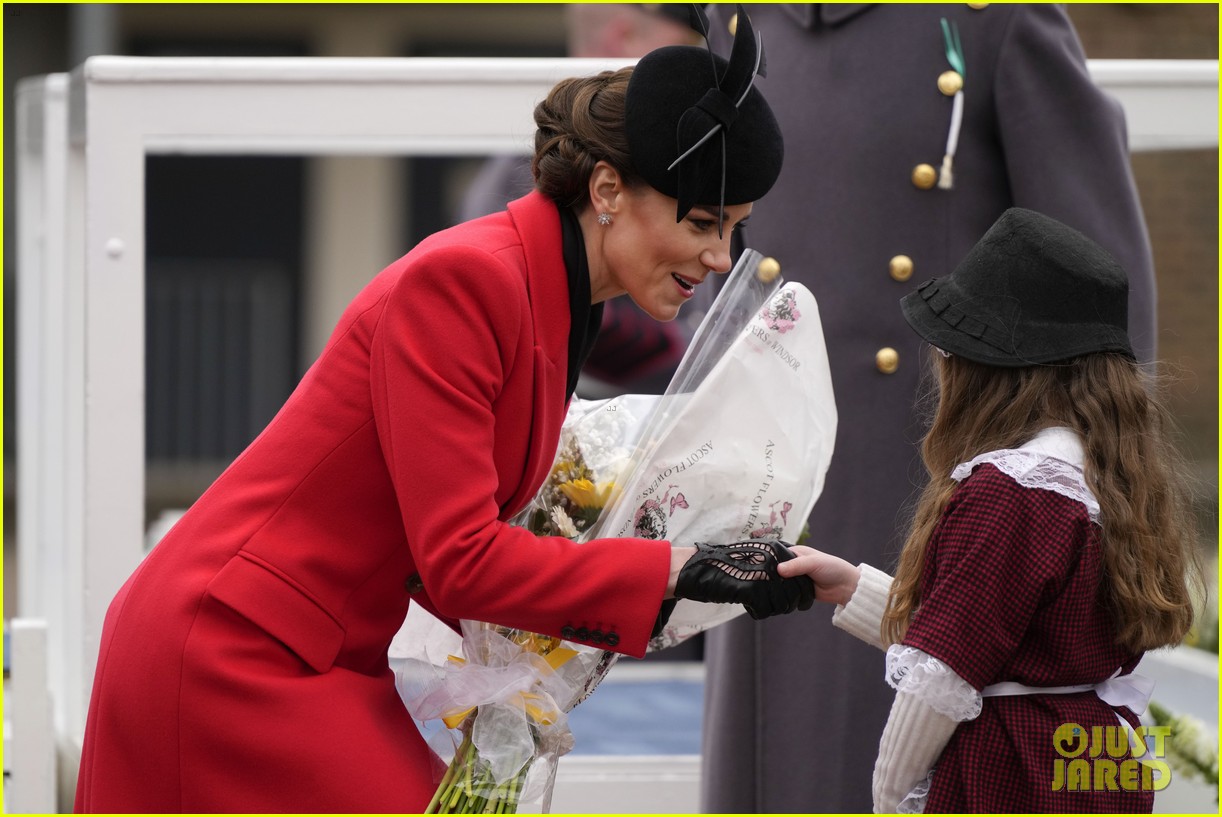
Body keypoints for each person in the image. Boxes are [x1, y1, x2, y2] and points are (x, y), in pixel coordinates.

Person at [73, 9, 810, 812]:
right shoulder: (466, 280)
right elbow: (459, 558)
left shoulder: (557, 298)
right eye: (703, 222)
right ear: (606, 190)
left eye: (734, 230)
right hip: (230, 653)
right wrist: (674, 570)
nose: (719, 257)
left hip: (316, 652)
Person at [698, 5, 1160, 812]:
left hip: (939, 481)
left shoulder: (994, 22)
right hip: (767, 471)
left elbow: (1097, 292)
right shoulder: (740, 17)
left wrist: (1092, 494)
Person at [776, 207, 1200, 812]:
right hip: (1094, 766)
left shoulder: (1014, 490)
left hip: (1015, 772)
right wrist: (855, 589)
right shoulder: (1104, 475)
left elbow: (943, 675)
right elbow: (1007, 633)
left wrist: (892, 796)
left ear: (989, 369)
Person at [459, 4, 702, 397]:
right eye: (686, 45)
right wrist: (697, 363)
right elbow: (525, 302)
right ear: (625, 38)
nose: (698, 63)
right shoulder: (534, 166)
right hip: (587, 413)